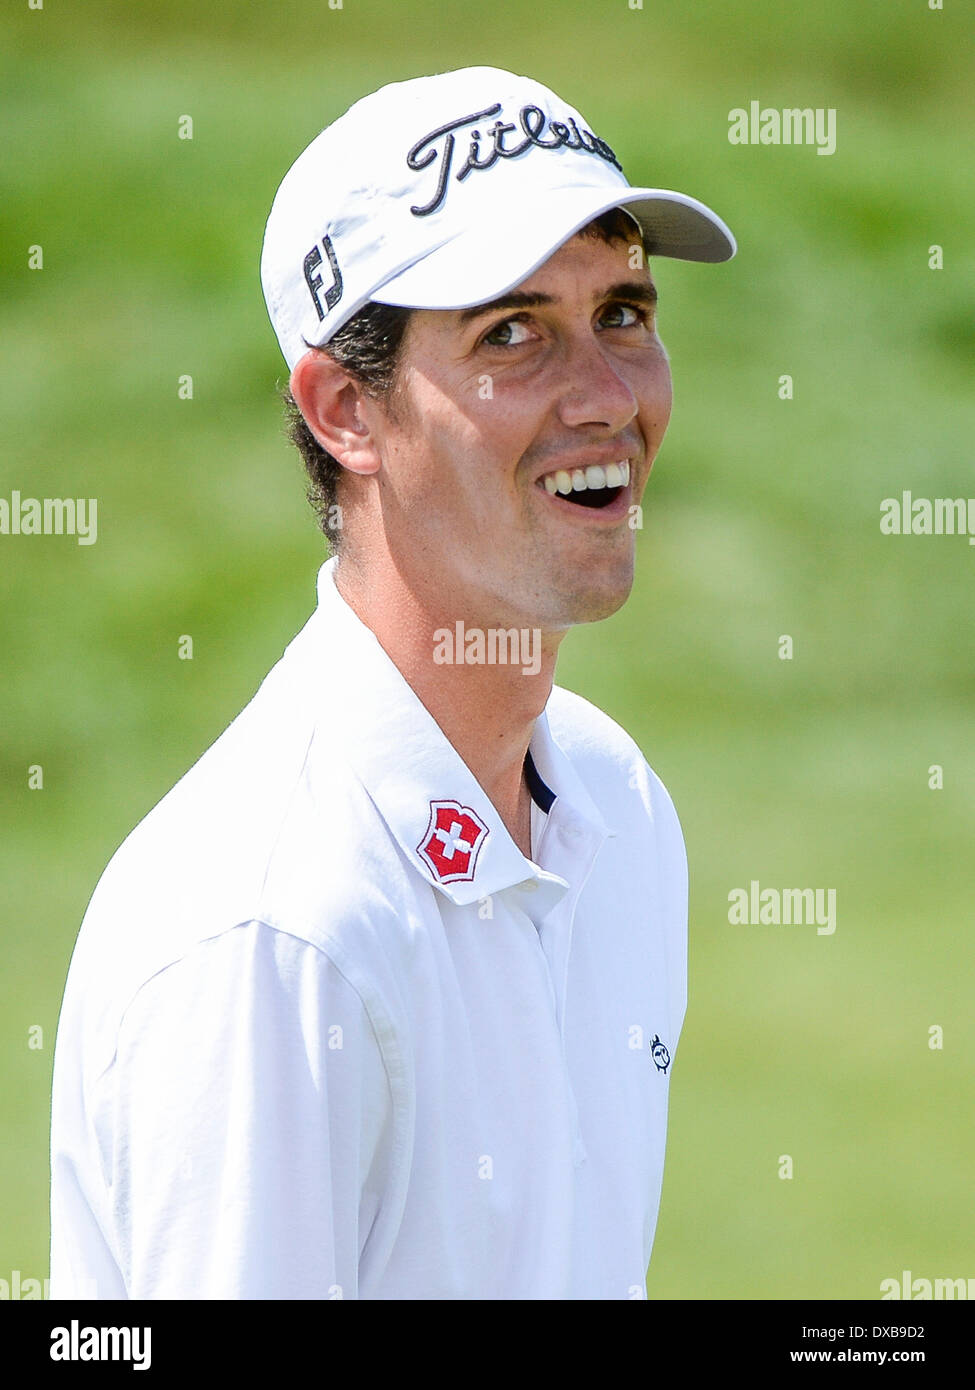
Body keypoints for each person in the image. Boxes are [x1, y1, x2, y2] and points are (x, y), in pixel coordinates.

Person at [49, 65, 735, 1300]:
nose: (607, 397)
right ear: (344, 412)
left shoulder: (616, 806)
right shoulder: (273, 935)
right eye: (511, 333)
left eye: (623, 312)